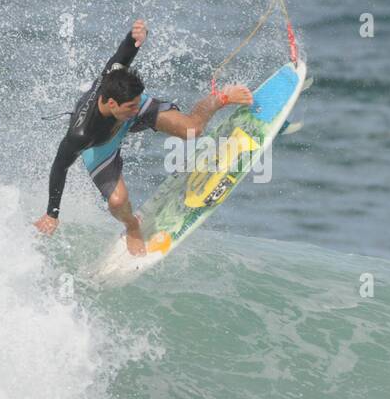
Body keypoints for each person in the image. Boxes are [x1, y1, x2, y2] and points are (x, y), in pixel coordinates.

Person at [34, 19, 253, 255]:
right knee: (117, 202)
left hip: (125, 108)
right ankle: (132, 226)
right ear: (110, 103)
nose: (135, 110)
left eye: (136, 104)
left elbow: (124, 52)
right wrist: (52, 213)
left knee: (192, 130)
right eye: (130, 106)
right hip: (103, 145)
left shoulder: (126, 95)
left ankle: (220, 99)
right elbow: (59, 166)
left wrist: (136, 36)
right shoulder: (82, 134)